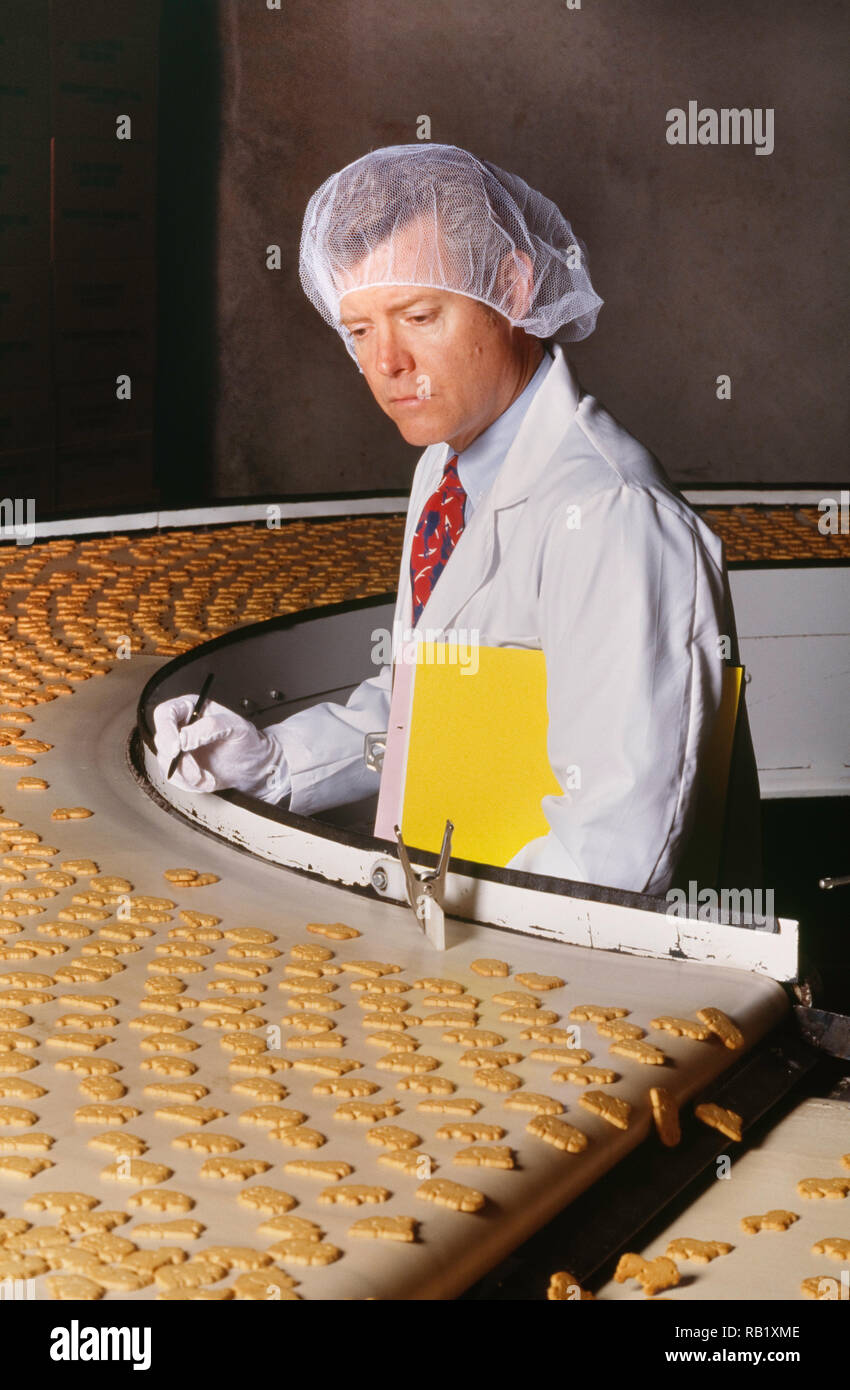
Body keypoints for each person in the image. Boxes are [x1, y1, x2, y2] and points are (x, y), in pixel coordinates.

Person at [153, 143, 761, 897]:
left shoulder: (609, 518)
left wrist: (439, 939)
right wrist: (276, 764)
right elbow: (435, 698)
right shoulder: (446, 471)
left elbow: (616, 855)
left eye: (417, 315)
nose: (387, 364)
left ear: (512, 285)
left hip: (567, 985)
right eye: (359, 330)